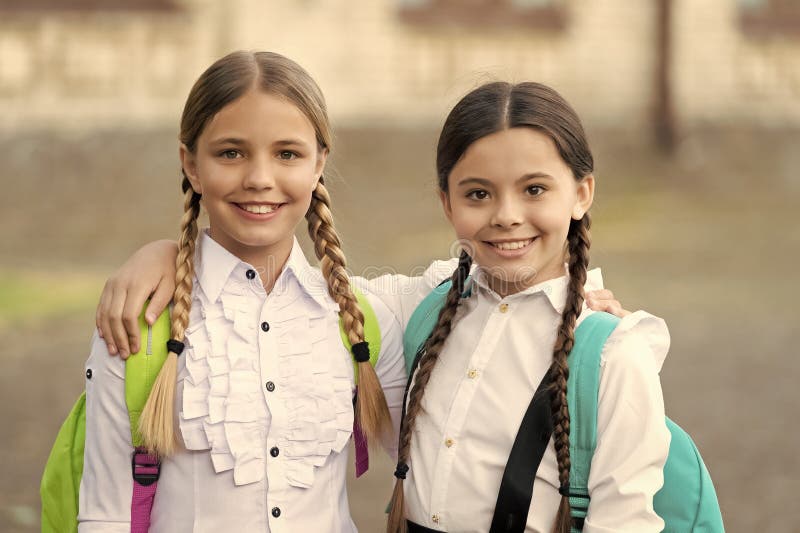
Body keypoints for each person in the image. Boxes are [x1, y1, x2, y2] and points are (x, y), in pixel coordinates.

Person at [78, 50, 407, 532]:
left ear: (319, 164)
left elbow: (430, 472)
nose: (258, 179)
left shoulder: (365, 320)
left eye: (287, 154)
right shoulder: (141, 320)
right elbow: (103, 516)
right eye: (230, 153)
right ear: (191, 165)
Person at [381, 81, 671, 532]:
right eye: (478, 193)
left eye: (534, 189)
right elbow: (310, 292)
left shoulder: (615, 356)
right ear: (446, 202)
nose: (506, 215)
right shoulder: (422, 303)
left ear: (581, 193)